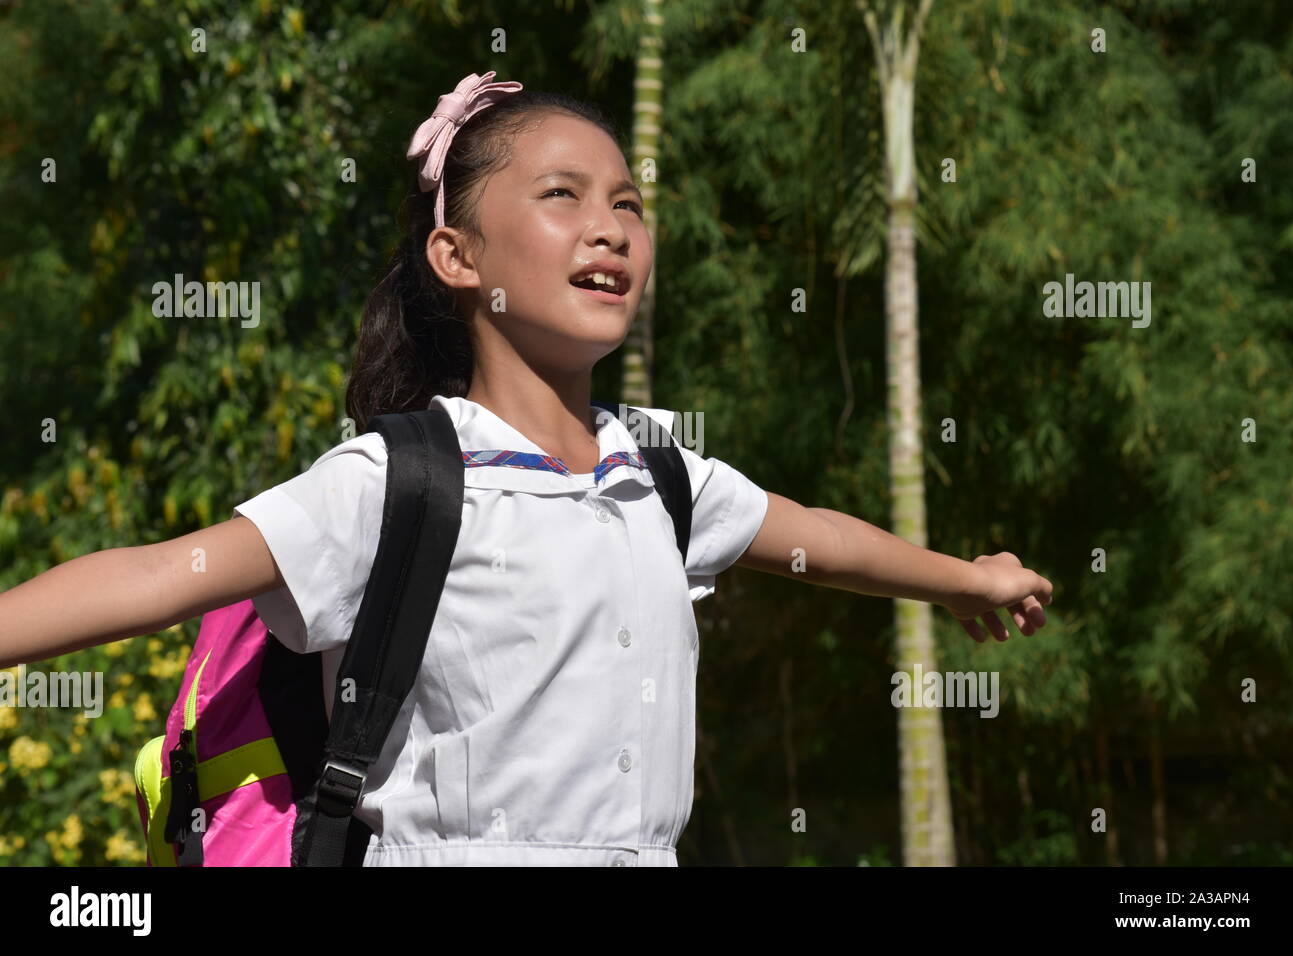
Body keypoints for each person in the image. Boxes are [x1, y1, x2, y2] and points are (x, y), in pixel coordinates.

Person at [0, 71, 1053, 866]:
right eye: (563, 195)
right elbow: (160, 573)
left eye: (629, 204)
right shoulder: (397, 479)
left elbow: (816, 537)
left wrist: (966, 578)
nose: (611, 226)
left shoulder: (661, 475)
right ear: (458, 257)